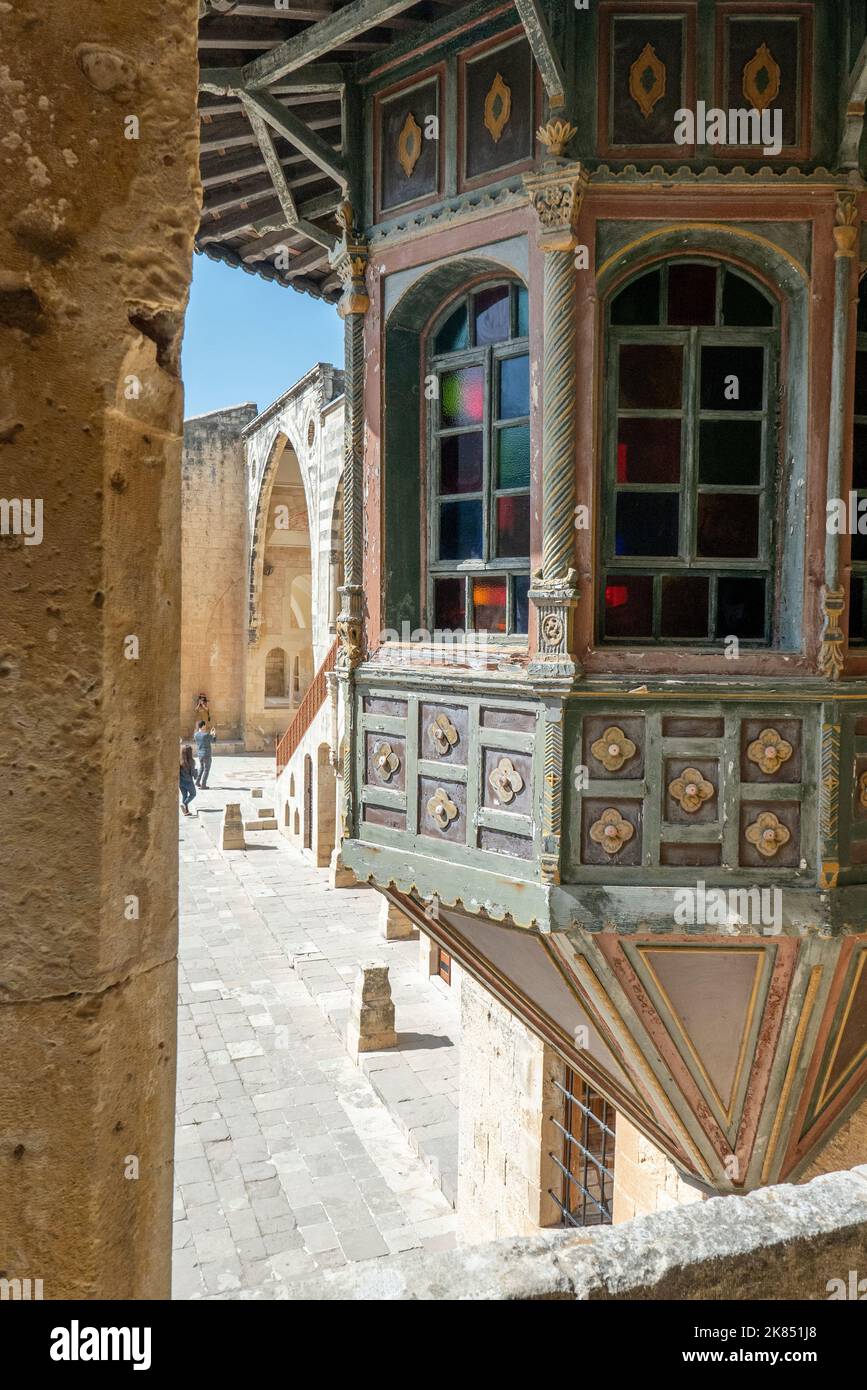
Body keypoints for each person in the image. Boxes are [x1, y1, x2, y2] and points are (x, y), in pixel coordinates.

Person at [193, 719, 216, 789]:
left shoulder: (196, 734)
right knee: (206, 769)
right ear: (203, 726)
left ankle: (197, 782)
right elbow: (213, 741)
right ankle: (203, 785)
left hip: (199, 754)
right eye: (205, 725)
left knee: (202, 768)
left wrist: (210, 734)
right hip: (206, 754)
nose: (205, 726)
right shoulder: (206, 735)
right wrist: (213, 734)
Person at [179, 744, 197, 816]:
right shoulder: (192, 761)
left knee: (185, 796)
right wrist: (196, 772)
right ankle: (184, 804)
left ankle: (186, 811)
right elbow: (192, 773)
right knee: (193, 794)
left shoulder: (179, 761)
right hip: (188, 782)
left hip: (180, 782)